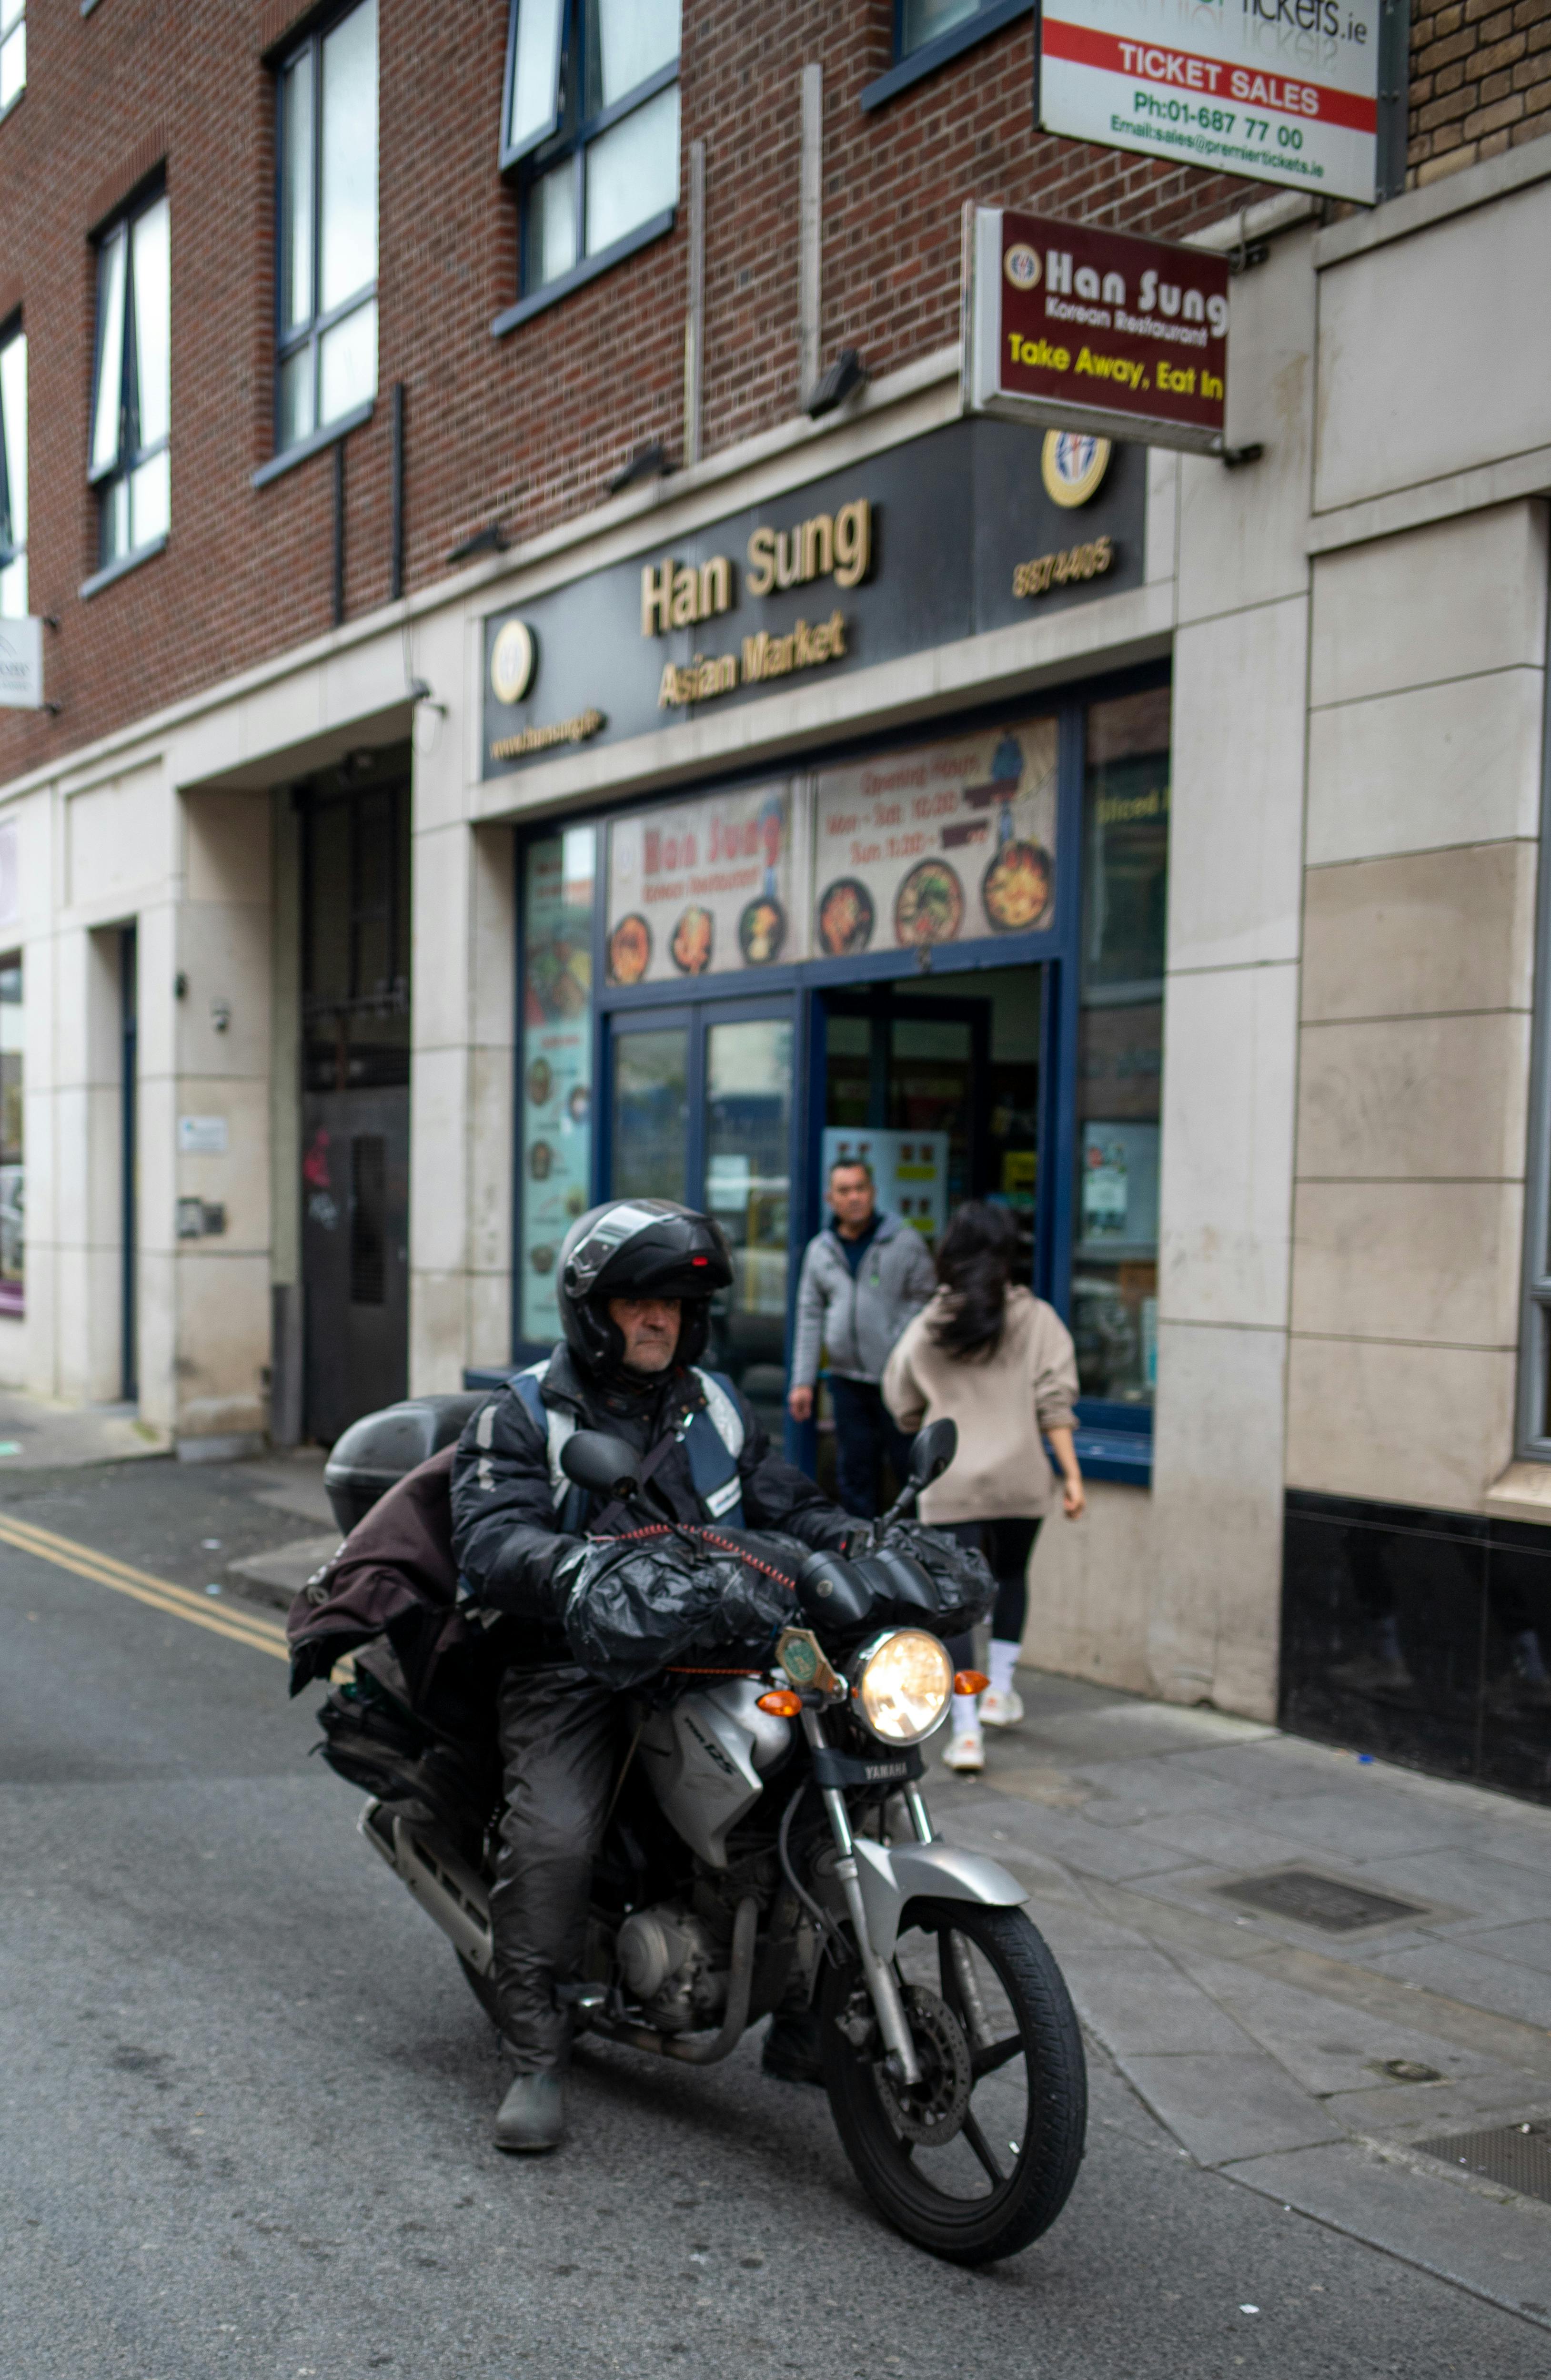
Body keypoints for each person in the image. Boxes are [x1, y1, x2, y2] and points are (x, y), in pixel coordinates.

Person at [450, 1197, 858, 2154]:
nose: (658, 1319)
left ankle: (808, 2008)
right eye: (638, 1299)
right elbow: (490, 1538)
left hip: (717, 1647)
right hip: (575, 1660)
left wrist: (854, 1541)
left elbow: (783, 1503)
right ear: (593, 1307)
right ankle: (537, 2050)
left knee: (831, 1767)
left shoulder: (711, 1403)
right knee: (554, 1832)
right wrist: (583, 1569)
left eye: (674, 1303)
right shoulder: (523, 1413)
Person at [882, 1200, 1084, 1776]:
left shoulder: (931, 1323)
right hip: (1023, 1480)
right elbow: (1056, 1403)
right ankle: (1000, 1691)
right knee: (1012, 1578)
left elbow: (900, 1403)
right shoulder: (1039, 1318)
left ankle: (965, 1734)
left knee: (958, 1609)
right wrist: (1071, 1478)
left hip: (952, 1484)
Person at [787, 1156, 937, 1517]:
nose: (854, 1197)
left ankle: (912, 1551)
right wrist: (803, 1381)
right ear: (831, 1198)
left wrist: (898, 1339)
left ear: (873, 1192)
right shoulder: (821, 1250)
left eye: (860, 1188)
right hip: (846, 1381)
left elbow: (928, 1303)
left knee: (906, 1469)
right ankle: (862, 1554)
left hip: (897, 1381)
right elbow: (809, 1317)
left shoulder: (905, 1241)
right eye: (845, 1190)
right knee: (855, 1472)